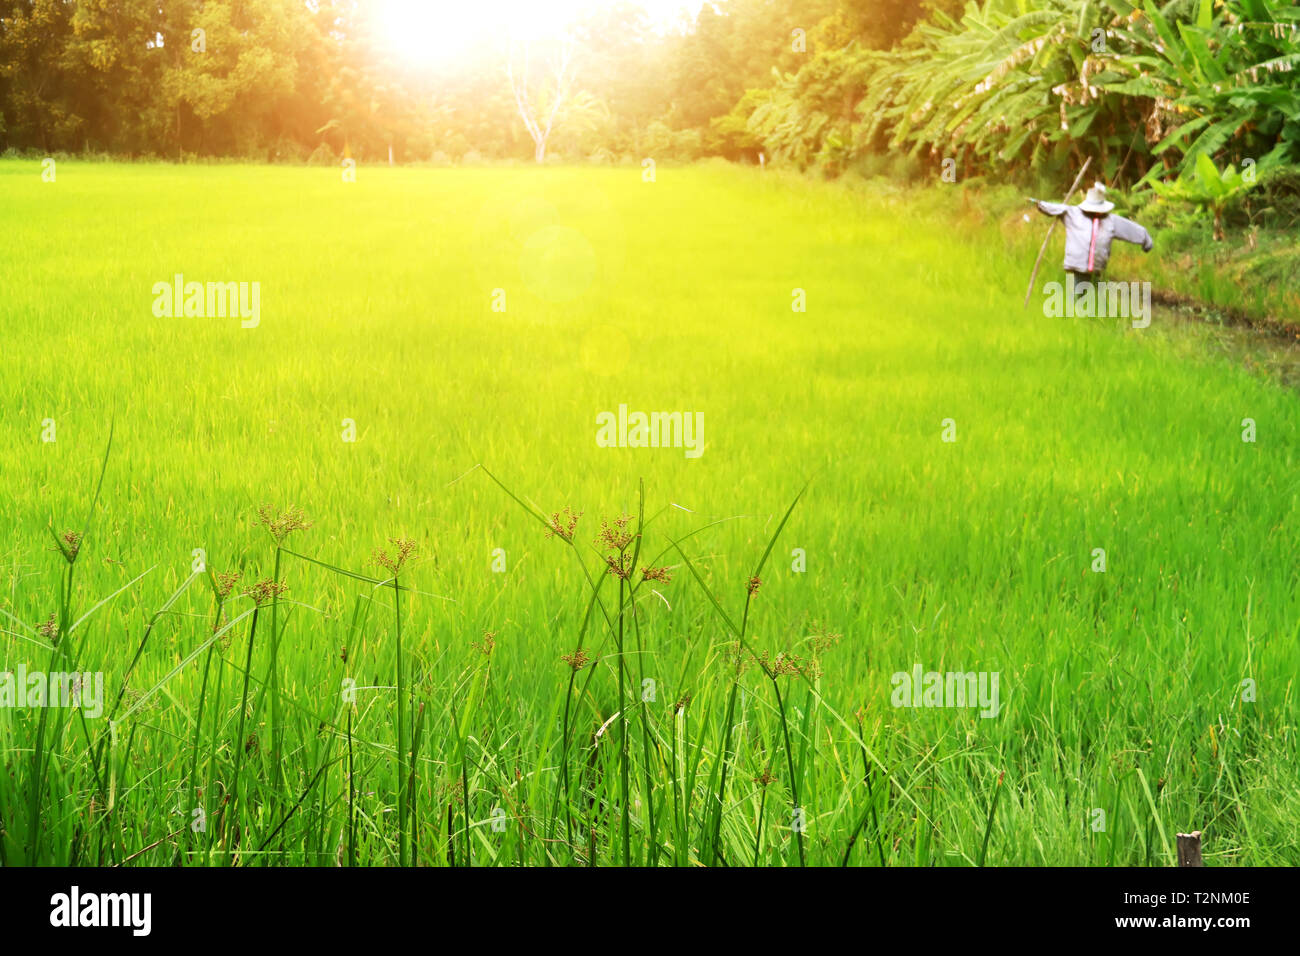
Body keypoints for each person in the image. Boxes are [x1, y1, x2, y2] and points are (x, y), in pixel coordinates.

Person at [1027, 183, 1153, 302]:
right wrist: (1039, 204)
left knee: (1096, 294)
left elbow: (1130, 229)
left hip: (1097, 266)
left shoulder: (1110, 221)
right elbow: (1054, 207)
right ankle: (1078, 317)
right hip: (1078, 264)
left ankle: (1091, 317)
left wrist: (1146, 241)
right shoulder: (1073, 214)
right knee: (1080, 293)